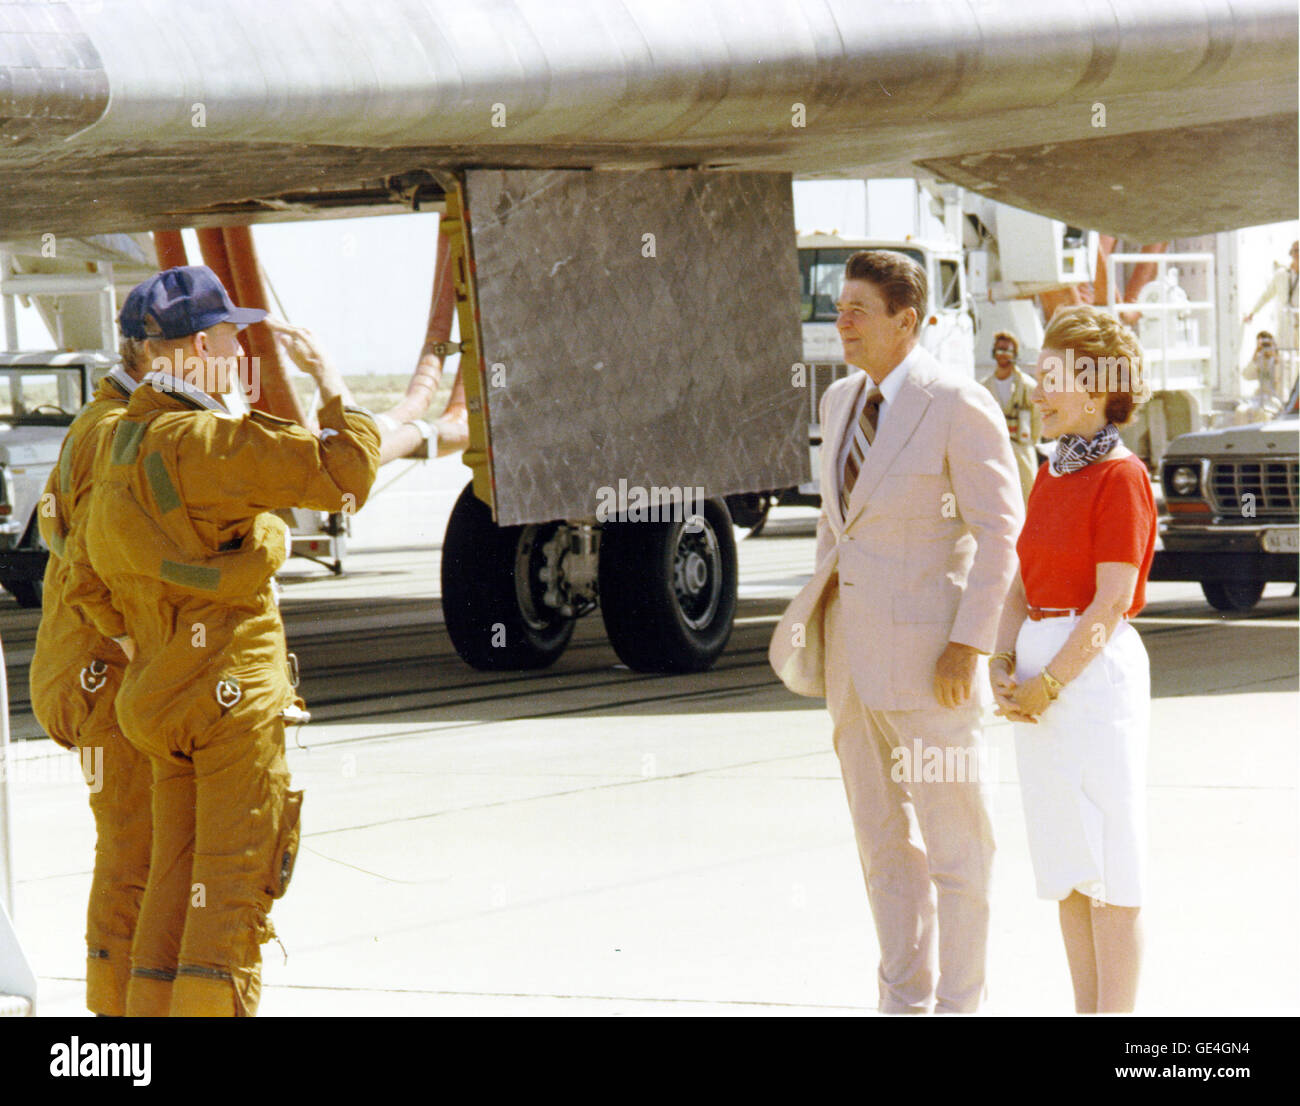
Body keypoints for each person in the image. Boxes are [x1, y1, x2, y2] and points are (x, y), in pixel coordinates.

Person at [66, 265, 381, 1017]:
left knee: (171, 892)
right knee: (232, 893)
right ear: (202, 346)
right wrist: (332, 387)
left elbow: (83, 584)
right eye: (231, 335)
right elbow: (346, 477)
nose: (240, 348)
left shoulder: (115, 444)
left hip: (158, 706)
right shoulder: (205, 442)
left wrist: (155, 638)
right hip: (228, 707)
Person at [769, 250, 1022, 1014]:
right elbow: (835, 526)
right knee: (882, 845)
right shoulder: (838, 400)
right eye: (837, 308)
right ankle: (902, 1002)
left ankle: (961, 1006)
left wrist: (970, 643)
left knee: (957, 851)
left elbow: (1002, 531)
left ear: (906, 322)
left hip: (929, 665)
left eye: (857, 311)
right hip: (851, 663)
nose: (840, 322)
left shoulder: (957, 401)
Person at [988, 304, 1155, 1014]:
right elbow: (1025, 580)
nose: (1036, 390)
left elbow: (1111, 600)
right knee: (1067, 866)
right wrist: (1001, 657)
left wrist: (1050, 682)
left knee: (1111, 867)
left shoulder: (1121, 478)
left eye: (1050, 377)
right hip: (1041, 677)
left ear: (1092, 389)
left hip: (1090, 679)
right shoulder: (1050, 471)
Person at [27, 302, 152, 1017]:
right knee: (134, 849)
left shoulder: (109, 422)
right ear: (151, 352)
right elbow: (87, 566)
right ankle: (117, 1025)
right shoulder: (116, 434)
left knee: (141, 847)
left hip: (100, 674)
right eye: (208, 339)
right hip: (104, 678)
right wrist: (137, 645)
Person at [979, 331, 1042, 502]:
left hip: (1022, 451)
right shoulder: (984, 387)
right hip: (994, 452)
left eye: (1008, 351)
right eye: (999, 350)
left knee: (1027, 497)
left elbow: (1037, 422)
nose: (1003, 355)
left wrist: (1027, 443)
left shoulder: (1028, 386)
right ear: (993, 353)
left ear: (1015, 354)